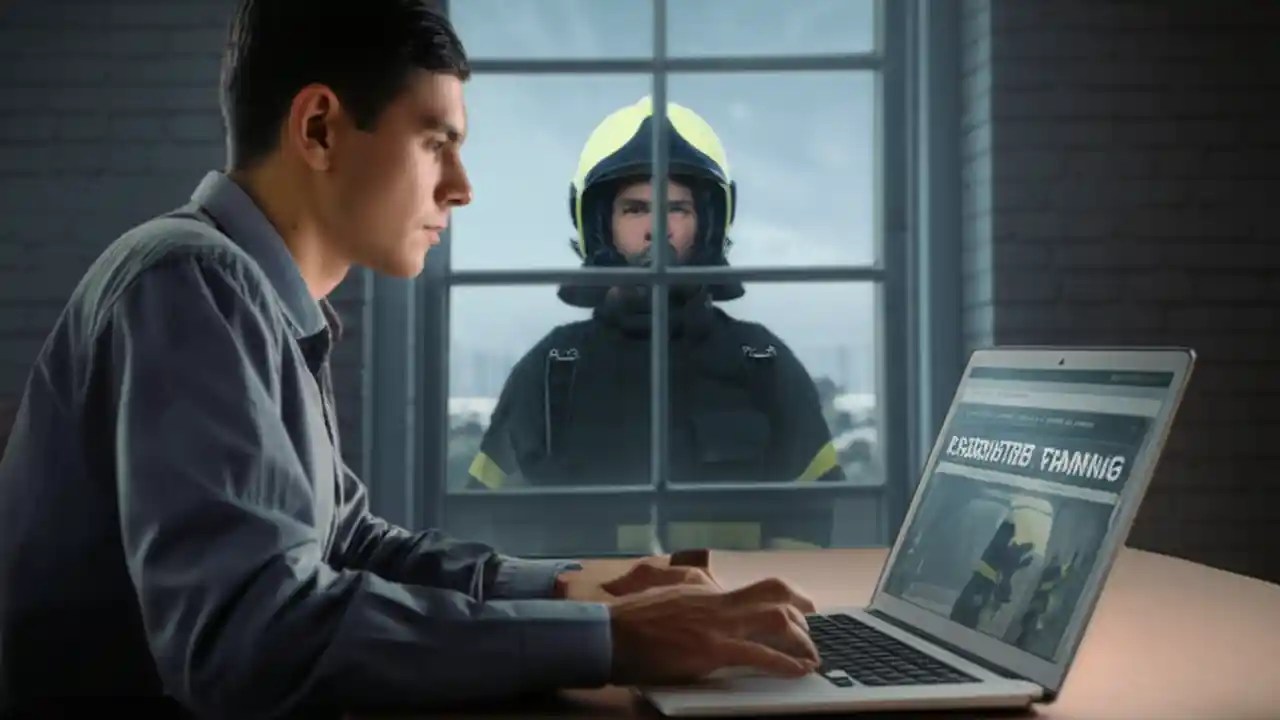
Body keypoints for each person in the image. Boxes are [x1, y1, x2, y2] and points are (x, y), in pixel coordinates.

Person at [0, 2, 822, 717]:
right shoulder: (195, 283)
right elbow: (249, 639)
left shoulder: (249, 293)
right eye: (436, 142)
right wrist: (611, 641)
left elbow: (346, 543)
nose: (460, 186)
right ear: (319, 128)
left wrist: (571, 588)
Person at [466, 97, 844, 551]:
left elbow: (812, 526)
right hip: (589, 618)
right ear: (599, 224)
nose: (656, 229)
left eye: (677, 209)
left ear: (707, 223)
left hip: (729, 618)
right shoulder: (552, 369)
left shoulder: (761, 362)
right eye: (635, 208)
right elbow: (482, 529)